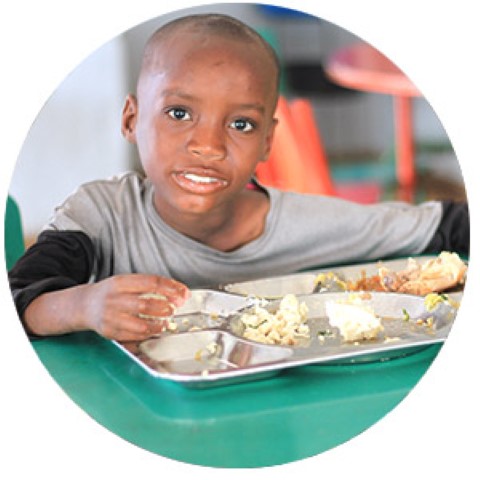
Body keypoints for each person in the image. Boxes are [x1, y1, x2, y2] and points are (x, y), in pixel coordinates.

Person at [9, 13, 469, 342]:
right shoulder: (100, 215)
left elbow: (448, 225)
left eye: (241, 124)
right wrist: (84, 305)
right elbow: (20, 298)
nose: (207, 145)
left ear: (267, 141)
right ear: (131, 119)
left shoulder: (308, 223)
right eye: (178, 112)